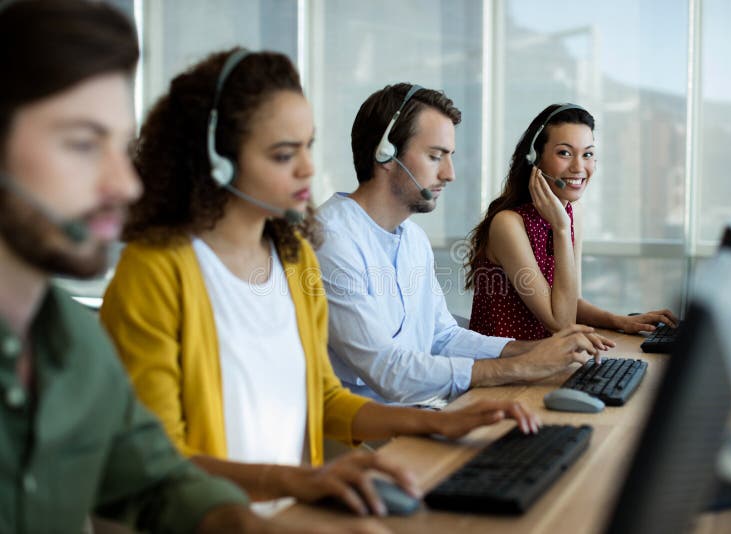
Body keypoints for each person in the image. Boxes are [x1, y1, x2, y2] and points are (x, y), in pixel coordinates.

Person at [99, 48, 540, 518]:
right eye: (284, 154)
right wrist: (297, 481)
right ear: (214, 159)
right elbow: (154, 466)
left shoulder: (293, 257)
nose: (309, 168)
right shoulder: (154, 274)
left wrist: (442, 421)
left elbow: (325, 398)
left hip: (292, 512)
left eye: (308, 146)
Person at [0, 1, 340, 532]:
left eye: (119, 144)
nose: (125, 184)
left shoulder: (68, 340)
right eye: (84, 143)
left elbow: (156, 478)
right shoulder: (155, 273)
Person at [314, 84, 613, 407]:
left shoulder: (412, 238)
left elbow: (443, 337)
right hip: (369, 432)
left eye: (449, 157)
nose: (450, 174)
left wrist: (541, 351)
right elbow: (387, 372)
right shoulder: (330, 239)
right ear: (385, 153)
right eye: (435, 156)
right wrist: (518, 366)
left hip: (428, 407)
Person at [465, 103, 678, 340]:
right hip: (506, 368)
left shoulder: (573, 211)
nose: (579, 167)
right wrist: (562, 228)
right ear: (535, 158)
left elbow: (570, 302)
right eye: (564, 153)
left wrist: (621, 321)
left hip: (547, 360)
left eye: (587, 154)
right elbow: (561, 323)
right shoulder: (509, 224)